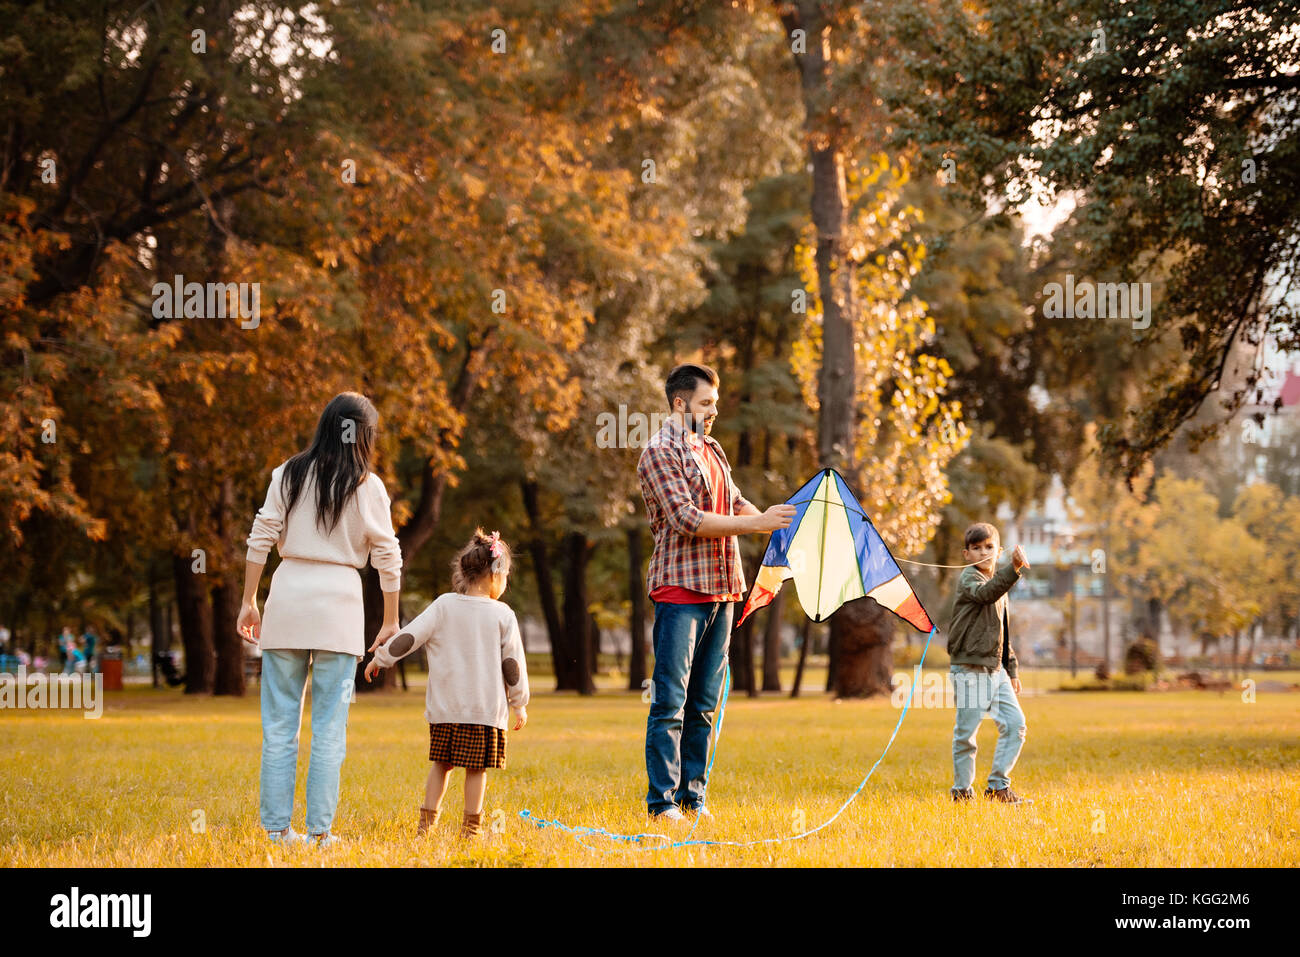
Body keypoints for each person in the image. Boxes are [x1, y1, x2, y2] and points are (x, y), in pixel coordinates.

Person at [237, 392, 403, 848]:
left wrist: (249, 600)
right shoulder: (368, 486)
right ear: (363, 436)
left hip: (287, 598)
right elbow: (388, 554)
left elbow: (261, 537)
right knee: (330, 726)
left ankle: (276, 831)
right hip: (340, 607)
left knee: (279, 725)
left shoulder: (287, 473)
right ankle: (320, 833)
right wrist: (389, 619)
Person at [636, 363, 796, 823]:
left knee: (705, 704)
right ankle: (662, 803)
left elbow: (734, 501)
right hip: (681, 589)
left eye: (716, 405)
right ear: (679, 403)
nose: (713, 413)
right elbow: (687, 519)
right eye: (705, 404)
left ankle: (693, 798)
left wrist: (770, 517)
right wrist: (755, 524)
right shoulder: (659, 452)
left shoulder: (711, 448)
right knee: (670, 702)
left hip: (725, 590)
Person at [366, 529, 529, 839]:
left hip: (446, 709)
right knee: (476, 769)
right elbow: (513, 665)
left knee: (442, 764)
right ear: (495, 575)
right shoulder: (502, 614)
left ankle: (425, 828)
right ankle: (471, 829)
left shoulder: (443, 605)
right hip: (483, 712)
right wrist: (518, 702)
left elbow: (409, 636)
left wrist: (382, 658)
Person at [947, 522, 1031, 804]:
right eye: (976, 548)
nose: (983, 552)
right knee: (966, 735)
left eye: (989, 547)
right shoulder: (970, 579)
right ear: (966, 554)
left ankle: (998, 787)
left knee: (1016, 724)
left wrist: (1012, 669)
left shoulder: (1000, 585)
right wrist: (1013, 569)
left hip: (996, 671)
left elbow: (1003, 632)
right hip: (969, 669)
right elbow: (986, 594)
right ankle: (961, 792)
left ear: (999, 551)